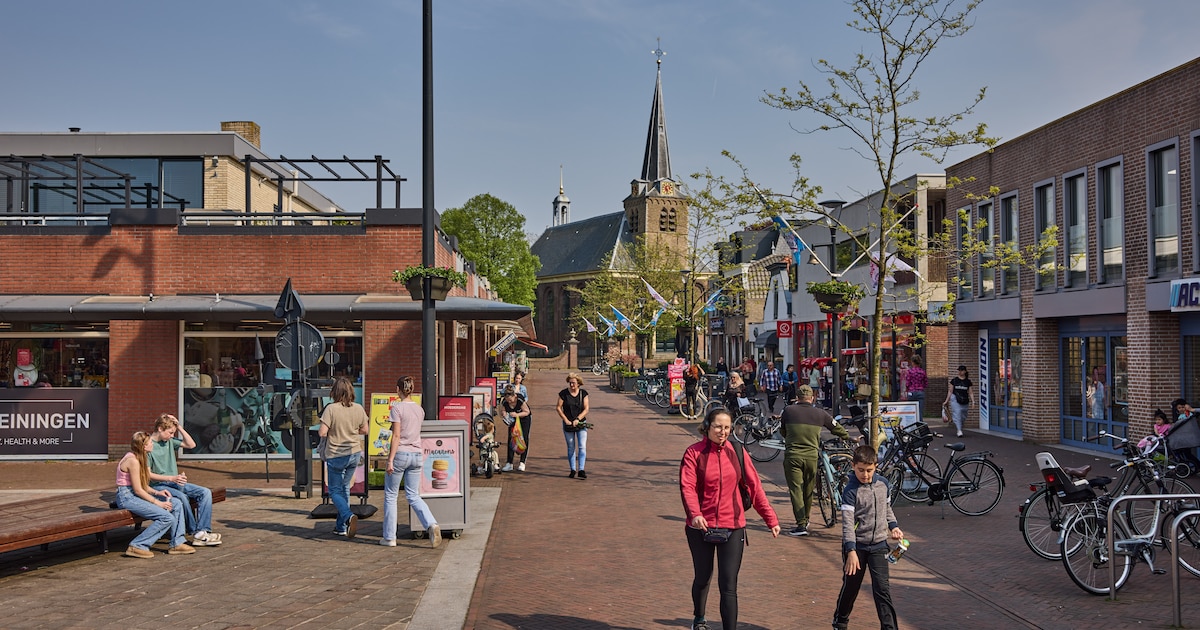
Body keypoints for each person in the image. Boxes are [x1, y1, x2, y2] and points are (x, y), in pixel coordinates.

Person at [679, 408, 781, 630]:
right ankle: (699, 618)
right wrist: (695, 514)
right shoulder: (693, 453)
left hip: (733, 526)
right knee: (703, 577)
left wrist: (770, 518)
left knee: (729, 585)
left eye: (727, 427)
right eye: (718, 426)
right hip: (700, 527)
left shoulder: (737, 451)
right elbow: (687, 487)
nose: (722, 431)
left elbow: (754, 487)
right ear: (707, 426)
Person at [834, 445, 903, 630]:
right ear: (853, 466)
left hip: (879, 545)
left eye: (869, 470)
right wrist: (851, 550)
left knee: (882, 590)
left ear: (876, 466)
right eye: (861, 470)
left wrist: (894, 526)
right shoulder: (850, 491)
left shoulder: (883, 485)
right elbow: (847, 524)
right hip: (857, 547)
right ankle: (840, 622)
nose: (865, 474)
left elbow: (887, 509)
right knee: (851, 587)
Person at [780, 384, 849, 537]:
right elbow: (836, 428)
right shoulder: (820, 413)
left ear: (797, 398)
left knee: (796, 489)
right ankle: (806, 518)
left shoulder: (788, 411)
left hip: (793, 456)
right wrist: (847, 436)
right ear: (812, 398)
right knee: (808, 490)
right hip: (812, 457)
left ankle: (801, 524)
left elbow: (783, 431)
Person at [381, 375, 441, 548]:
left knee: (391, 496)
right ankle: (431, 523)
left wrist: (390, 460)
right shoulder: (419, 410)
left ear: (398, 389)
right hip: (417, 454)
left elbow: (397, 435)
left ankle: (389, 537)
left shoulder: (397, 408)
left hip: (401, 454)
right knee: (413, 495)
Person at [147, 414, 222, 546]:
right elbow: (148, 475)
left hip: (175, 482)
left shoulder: (169, 441)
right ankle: (195, 533)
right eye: (170, 432)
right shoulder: (148, 446)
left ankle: (203, 530)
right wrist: (171, 478)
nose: (171, 436)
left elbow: (191, 444)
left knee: (205, 492)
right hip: (158, 486)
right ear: (160, 428)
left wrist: (179, 427)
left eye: (173, 433)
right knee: (181, 497)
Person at [116, 431, 194, 558]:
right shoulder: (133, 461)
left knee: (176, 503)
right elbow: (138, 490)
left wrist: (157, 492)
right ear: (144, 446)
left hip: (135, 494)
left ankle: (177, 543)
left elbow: (143, 485)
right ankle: (138, 545)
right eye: (150, 443)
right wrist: (158, 503)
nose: (153, 444)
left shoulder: (140, 458)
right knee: (166, 518)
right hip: (127, 497)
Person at [318, 376, 369, 539]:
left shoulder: (331, 409)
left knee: (333, 491)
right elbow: (365, 430)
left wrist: (335, 431)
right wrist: (352, 431)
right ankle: (341, 527)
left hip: (336, 455)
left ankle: (348, 516)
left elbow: (322, 432)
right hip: (354, 453)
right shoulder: (358, 408)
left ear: (335, 392)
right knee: (345, 488)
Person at [556, 372, 591, 479]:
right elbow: (558, 407)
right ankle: (572, 469)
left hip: (580, 423)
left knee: (582, 446)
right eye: (570, 383)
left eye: (573, 383)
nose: (571, 385)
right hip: (568, 423)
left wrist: (578, 419)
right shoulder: (563, 394)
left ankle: (581, 469)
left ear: (578, 383)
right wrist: (565, 419)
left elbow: (586, 409)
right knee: (571, 447)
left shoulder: (583, 394)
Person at [500, 385, 532, 472]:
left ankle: (522, 462)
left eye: (510, 400)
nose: (509, 402)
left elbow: (527, 412)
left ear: (514, 396)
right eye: (507, 400)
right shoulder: (505, 402)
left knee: (523, 438)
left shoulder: (520, 400)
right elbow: (502, 410)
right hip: (513, 420)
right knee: (511, 439)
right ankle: (509, 463)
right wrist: (504, 415)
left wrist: (517, 415)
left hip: (524, 420)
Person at [943, 365, 972, 438]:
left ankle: (959, 425)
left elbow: (970, 392)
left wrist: (973, 401)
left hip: (964, 400)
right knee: (958, 413)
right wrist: (947, 400)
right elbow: (950, 391)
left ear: (965, 371)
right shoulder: (954, 380)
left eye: (961, 370)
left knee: (963, 415)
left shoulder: (968, 381)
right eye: (959, 370)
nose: (960, 372)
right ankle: (959, 430)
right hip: (955, 399)